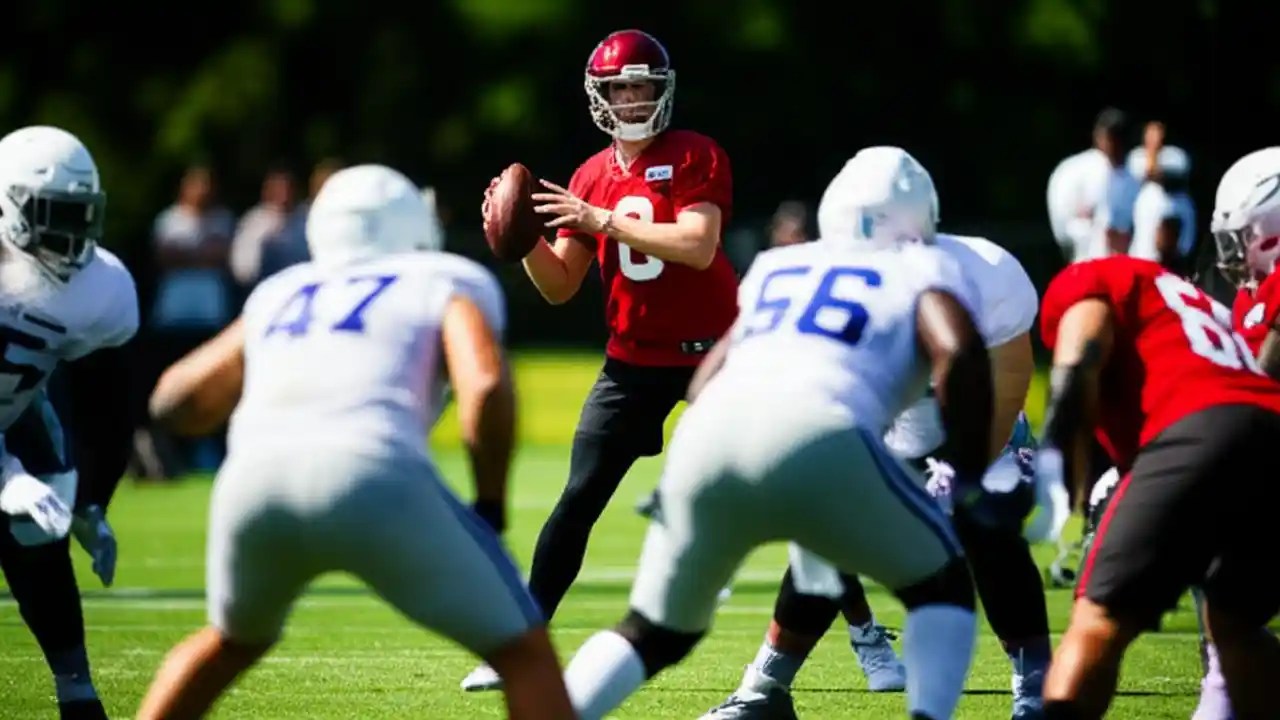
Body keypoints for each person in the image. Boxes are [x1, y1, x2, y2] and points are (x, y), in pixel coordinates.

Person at [559, 145, 992, 720]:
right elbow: (959, 353)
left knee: (652, 632)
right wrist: (970, 475)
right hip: (825, 430)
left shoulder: (778, 265)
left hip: (710, 433)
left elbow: (709, 375)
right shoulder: (920, 266)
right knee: (941, 586)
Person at [134, 164, 575, 720]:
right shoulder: (445, 278)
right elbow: (485, 386)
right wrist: (490, 502)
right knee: (524, 654)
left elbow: (174, 400)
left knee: (230, 641)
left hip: (253, 482)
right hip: (374, 471)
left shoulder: (283, 290)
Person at [702, 148, 1052, 720]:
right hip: (878, 427)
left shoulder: (984, 271)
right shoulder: (815, 272)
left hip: (971, 425)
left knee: (989, 524)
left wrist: (964, 476)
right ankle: (766, 685)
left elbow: (1008, 382)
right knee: (826, 529)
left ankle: (1036, 686)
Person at [462, 28, 741, 691]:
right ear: (600, 96)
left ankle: (860, 630)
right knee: (578, 499)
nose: (634, 97)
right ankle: (519, 646)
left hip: (718, 354)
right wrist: (523, 236)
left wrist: (600, 218)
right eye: (621, 87)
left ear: (663, 89)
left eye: (643, 84)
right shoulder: (591, 173)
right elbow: (559, 285)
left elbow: (698, 245)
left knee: (789, 482)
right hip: (632, 360)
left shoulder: (697, 153)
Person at [1037, 255, 1280, 719]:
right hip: (1272, 432)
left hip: (1196, 428)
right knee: (1236, 626)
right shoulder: (1194, 304)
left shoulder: (1094, 279)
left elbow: (1078, 363)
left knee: (1097, 620)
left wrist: (1057, 474)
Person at [0, 125, 140, 719]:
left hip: (16, 411)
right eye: (54, 214)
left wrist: (91, 503)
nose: (71, 234)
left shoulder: (103, 287)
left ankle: (77, 694)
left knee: (39, 532)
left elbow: (109, 402)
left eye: (80, 214)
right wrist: (6, 478)